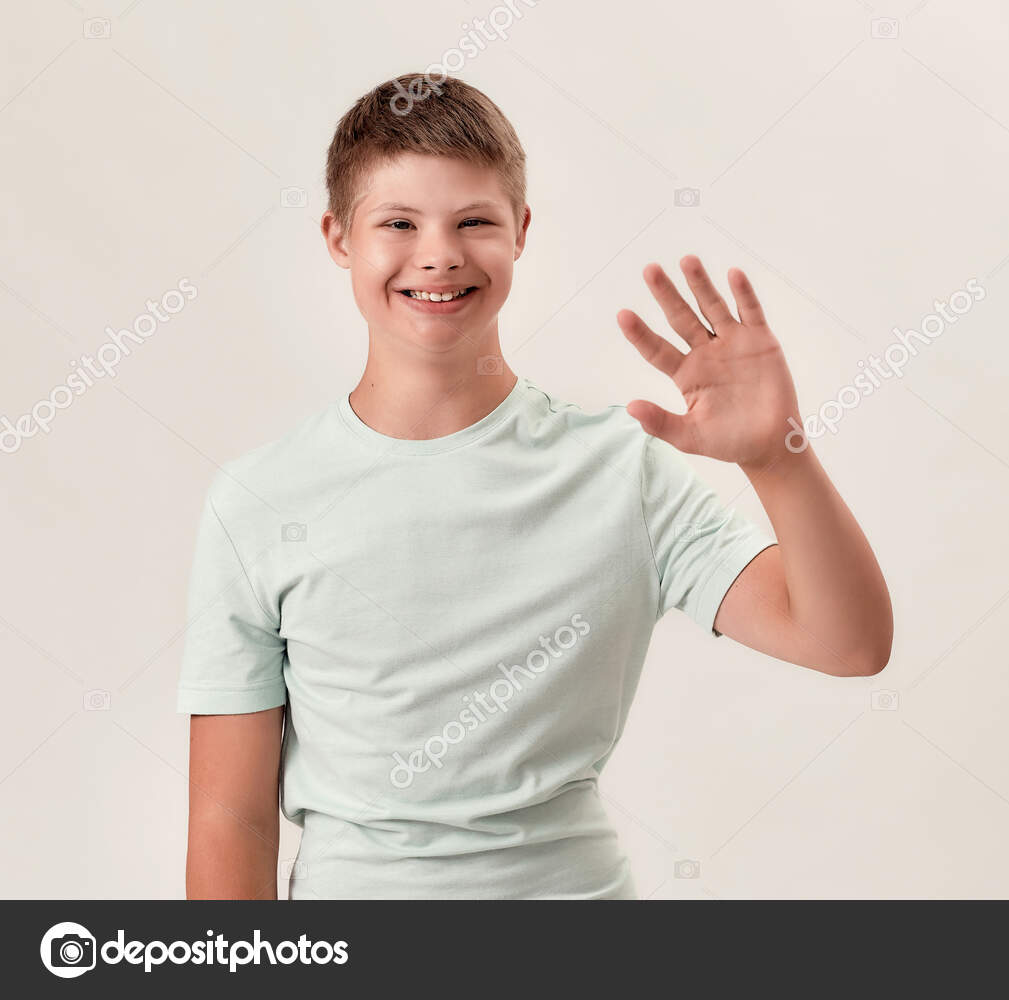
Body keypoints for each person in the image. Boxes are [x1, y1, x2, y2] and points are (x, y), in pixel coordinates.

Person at [179, 72, 893, 900]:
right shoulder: (260, 498)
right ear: (340, 238)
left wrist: (779, 459)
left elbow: (849, 644)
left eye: (473, 221)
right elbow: (228, 816)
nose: (439, 253)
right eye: (399, 223)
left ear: (520, 231)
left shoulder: (621, 468)